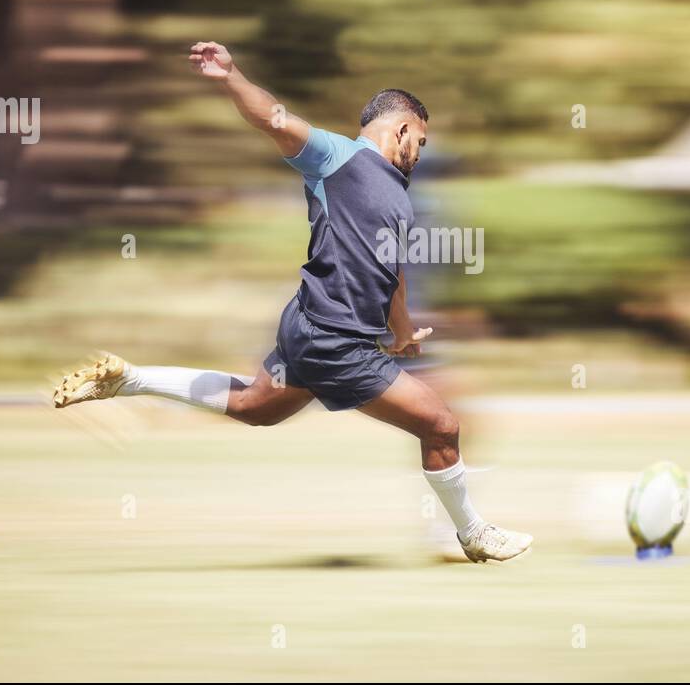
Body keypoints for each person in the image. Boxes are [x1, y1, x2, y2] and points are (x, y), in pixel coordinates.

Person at [54, 41, 532, 563]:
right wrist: (231, 76)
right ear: (401, 130)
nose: (419, 151)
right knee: (441, 424)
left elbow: (392, 274)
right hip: (336, 340)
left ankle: (130, 378)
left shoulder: (398, 194)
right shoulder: (338, 158)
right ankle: (470, 533)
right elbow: (277, 121)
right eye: (420, 139)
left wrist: (402, 332)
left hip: (307, 327)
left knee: (256, 407)